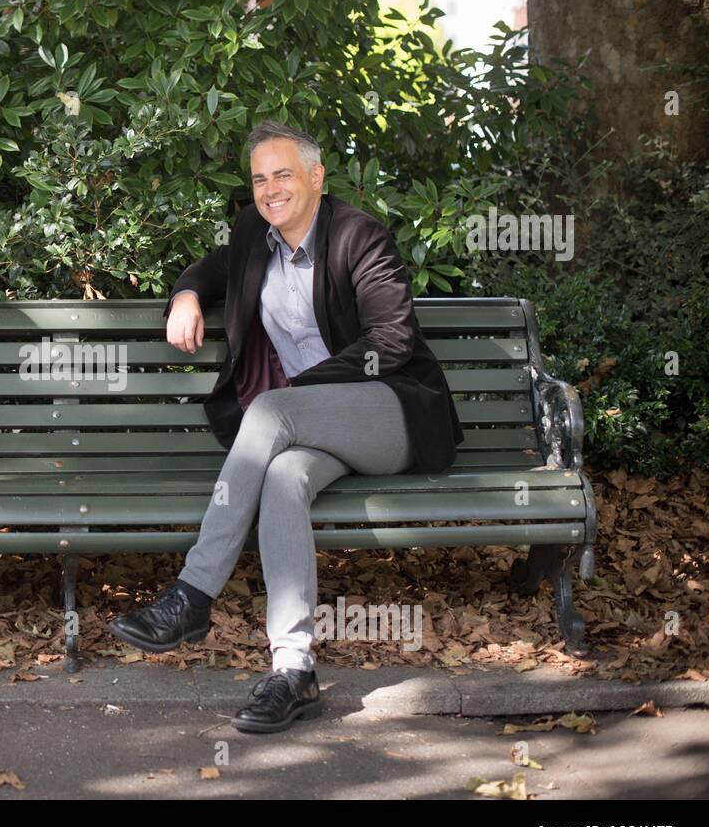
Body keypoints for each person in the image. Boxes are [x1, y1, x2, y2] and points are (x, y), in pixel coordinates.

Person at [109, 121, 463, 733]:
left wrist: (303, 390)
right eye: (259, 179)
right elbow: (215, 268)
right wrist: (188, 295)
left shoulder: (359, 236)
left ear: (317, 177)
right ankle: (294, 669)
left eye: (284, 175)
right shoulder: (255, 232)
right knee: (283, 477)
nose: (270, 190)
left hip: (389, 409)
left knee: (270, 410)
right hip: (310, 429)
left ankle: (193, 596)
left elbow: (392, 340)